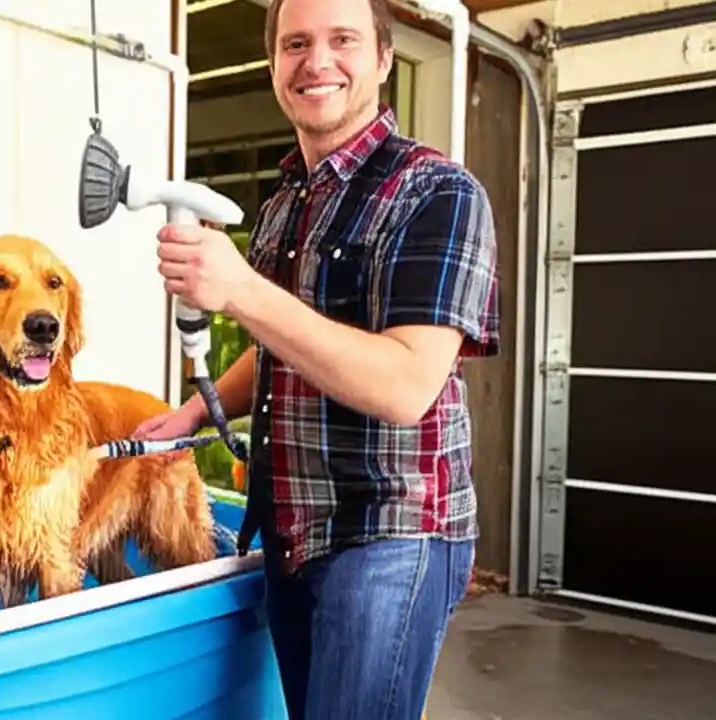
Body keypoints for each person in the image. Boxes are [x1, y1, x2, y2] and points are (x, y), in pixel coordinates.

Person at [133, 0, 500, 717]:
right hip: (293, 524)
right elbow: (285, 343)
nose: (317, 61)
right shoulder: (284, 200)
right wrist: (185, 417)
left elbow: (405, 385)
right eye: (295, 43)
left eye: (343, 40)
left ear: (384, 58)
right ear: (274, 64)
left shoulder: (438, 193)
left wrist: (239, 288)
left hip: (389, 533)